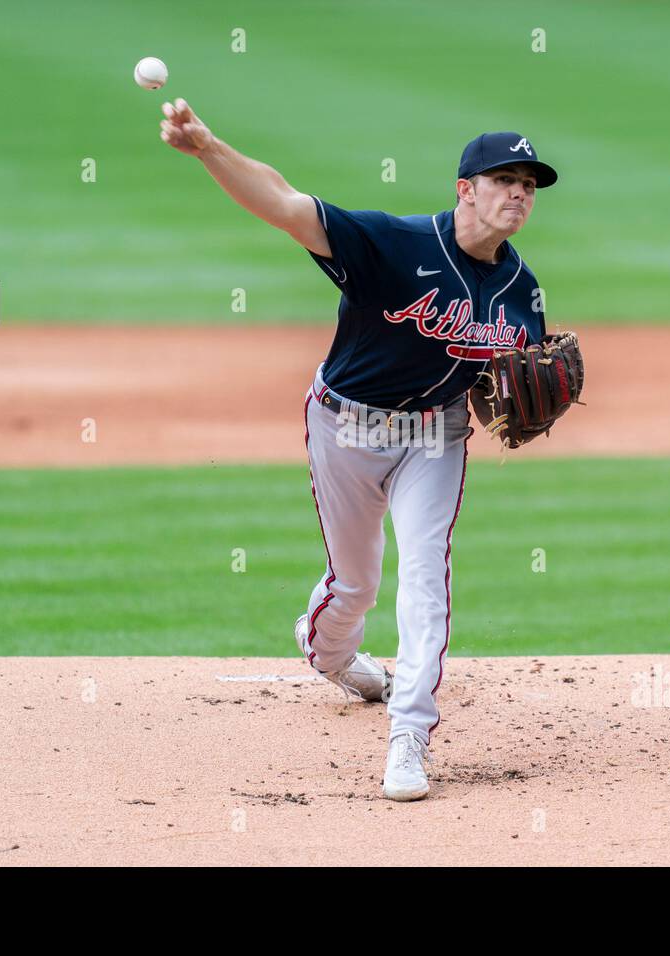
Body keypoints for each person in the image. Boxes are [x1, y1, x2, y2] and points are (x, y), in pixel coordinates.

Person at [159, 99, 558, 801]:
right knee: (356, 583)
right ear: (466, 189)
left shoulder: (523, 291)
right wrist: (208, 148)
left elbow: (507, 384)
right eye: (504, 180)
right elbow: (284, 203)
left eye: (528, 184)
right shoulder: (391, 243)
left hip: (436, 438)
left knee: (426, 580)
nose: (518, 195)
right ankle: (331, 653)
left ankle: (409, 735)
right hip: (345, 425)